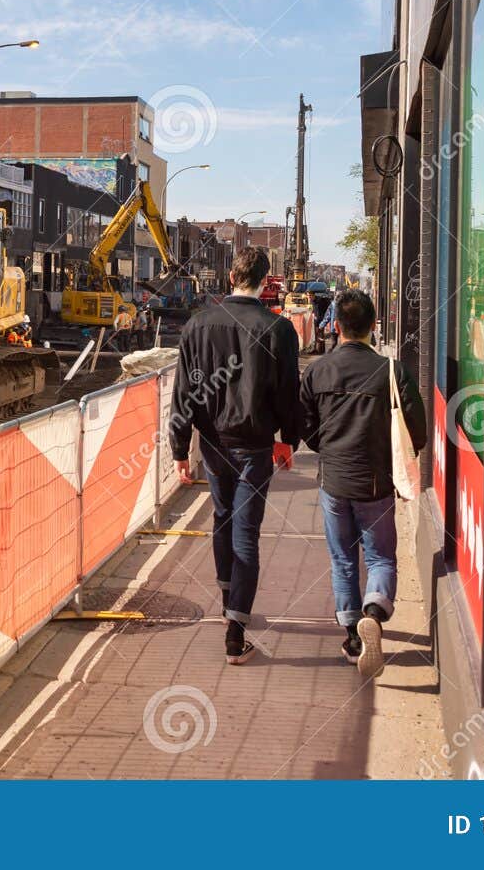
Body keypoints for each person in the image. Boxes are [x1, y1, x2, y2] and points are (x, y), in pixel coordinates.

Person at [169, 247, 303, 665]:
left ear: (230, 278)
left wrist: (179, 449)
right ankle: (235, 630)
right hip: (255, 444)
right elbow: (288, 393)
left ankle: (229, 597)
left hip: (212, 443)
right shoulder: (278, 330)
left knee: (221, 518)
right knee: (247, 531)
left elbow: (183, 394)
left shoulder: (197, 325)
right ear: (264, 282)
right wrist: (289, 439)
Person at [298, 289, 426, 680]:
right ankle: (374, 612)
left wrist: (328, 449)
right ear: (374, 326)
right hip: (376, 483)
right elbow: (416, 431)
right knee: (381, 557)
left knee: (342, 559)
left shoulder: (318, 371)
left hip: (334, 481)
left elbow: (306, 428)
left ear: (336, 326)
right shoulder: (393, 372)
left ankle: (353, 638)